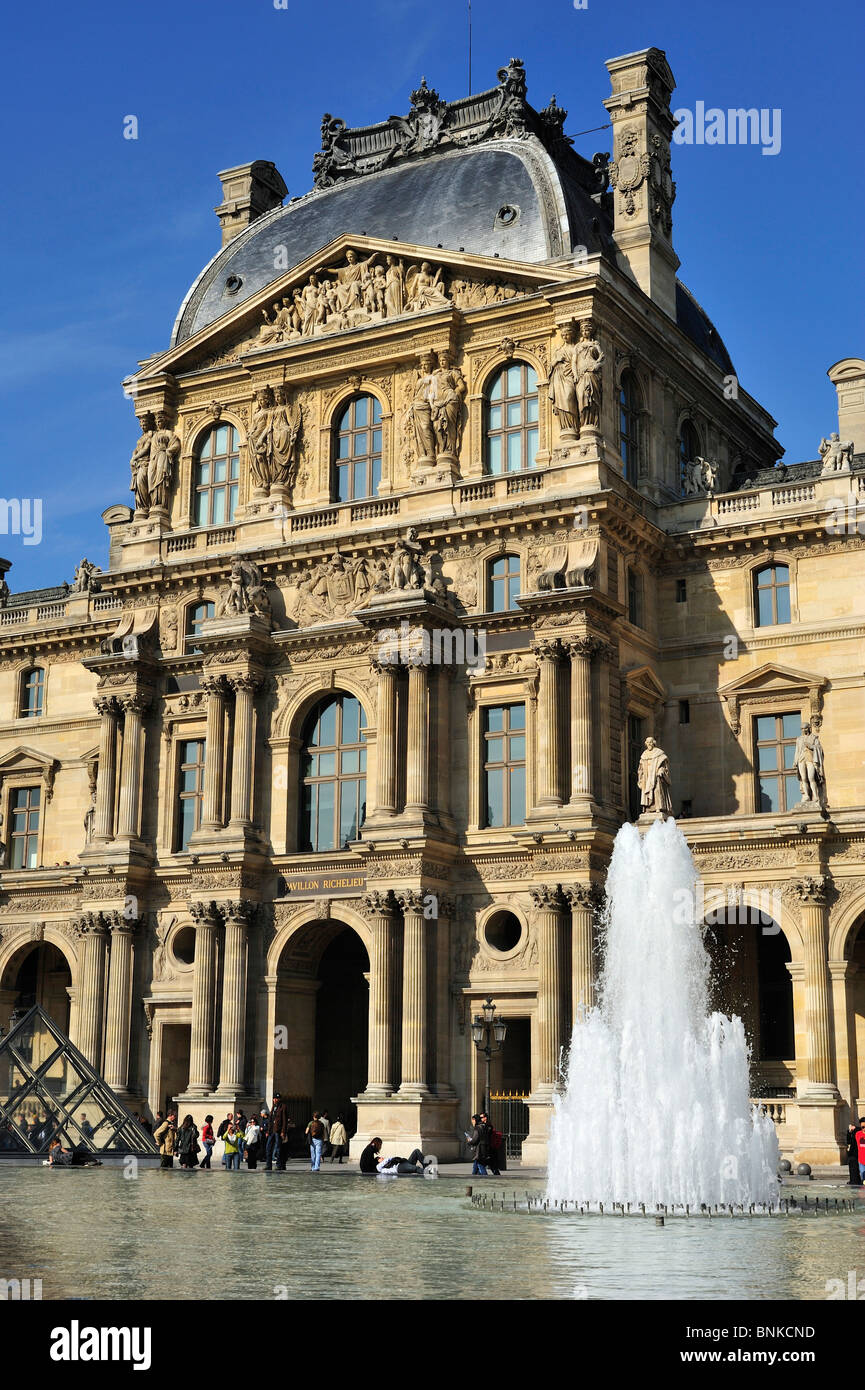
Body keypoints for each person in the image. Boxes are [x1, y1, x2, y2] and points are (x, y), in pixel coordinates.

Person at [265, 1094, 292, 1171]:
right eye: (274, 1099)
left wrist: (283, 1131)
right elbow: (270, 1119)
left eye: (276, 1099)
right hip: (272, 1130)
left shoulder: (283, 1107)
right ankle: (268, 1164)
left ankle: (278, 1164)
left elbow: (284, 1120)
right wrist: (268, 1130)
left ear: (279, 1099)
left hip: (278, 1130)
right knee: (268, 1147)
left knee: (278, 1148)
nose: (275, 1100)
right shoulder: (273, 1107)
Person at [848, 1119, 864, 1186]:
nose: (864, 1128)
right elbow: (849, 1140)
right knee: (863, 1177)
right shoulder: (858, 1134)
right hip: (861, 1161)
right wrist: (851, 1130)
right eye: (862, 1127)